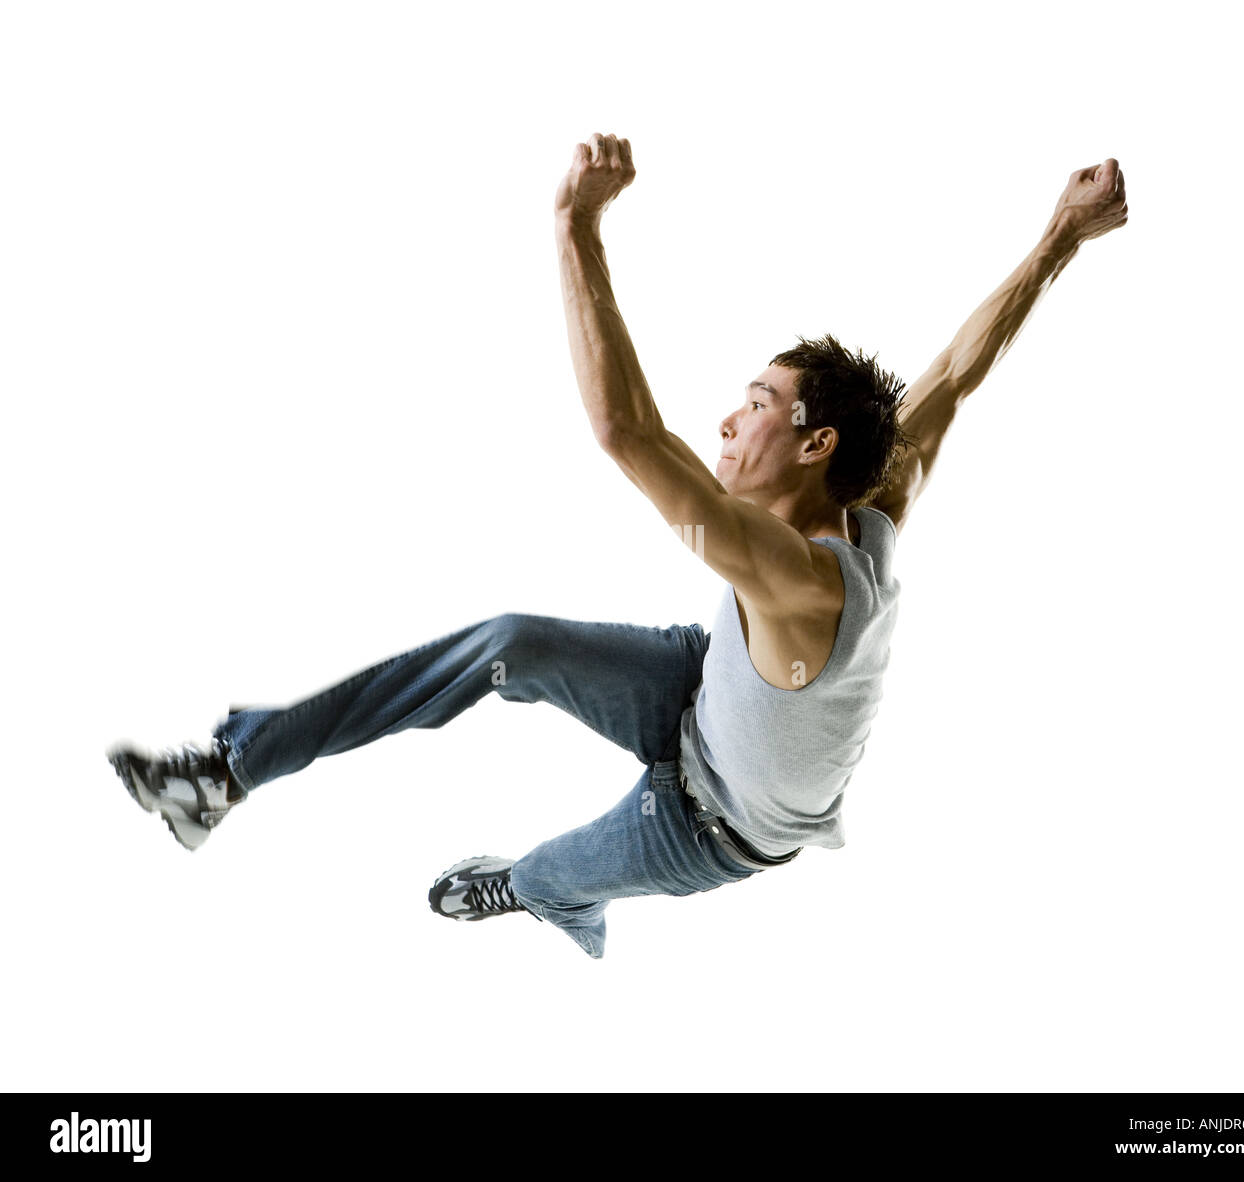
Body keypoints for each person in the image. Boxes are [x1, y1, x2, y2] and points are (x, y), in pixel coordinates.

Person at [105, 134, 1128, 959]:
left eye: (755, 406)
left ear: (815, 444)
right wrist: (1059, 237)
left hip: (706, 826)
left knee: (555, 870)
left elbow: (626, 435)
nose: (727, 423)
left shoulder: (797, 579)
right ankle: (227, 776)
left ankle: (543, 898)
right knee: (511, 638)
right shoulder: (873, 489)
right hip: (703, 682)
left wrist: (575, 225)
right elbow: (954, 372)